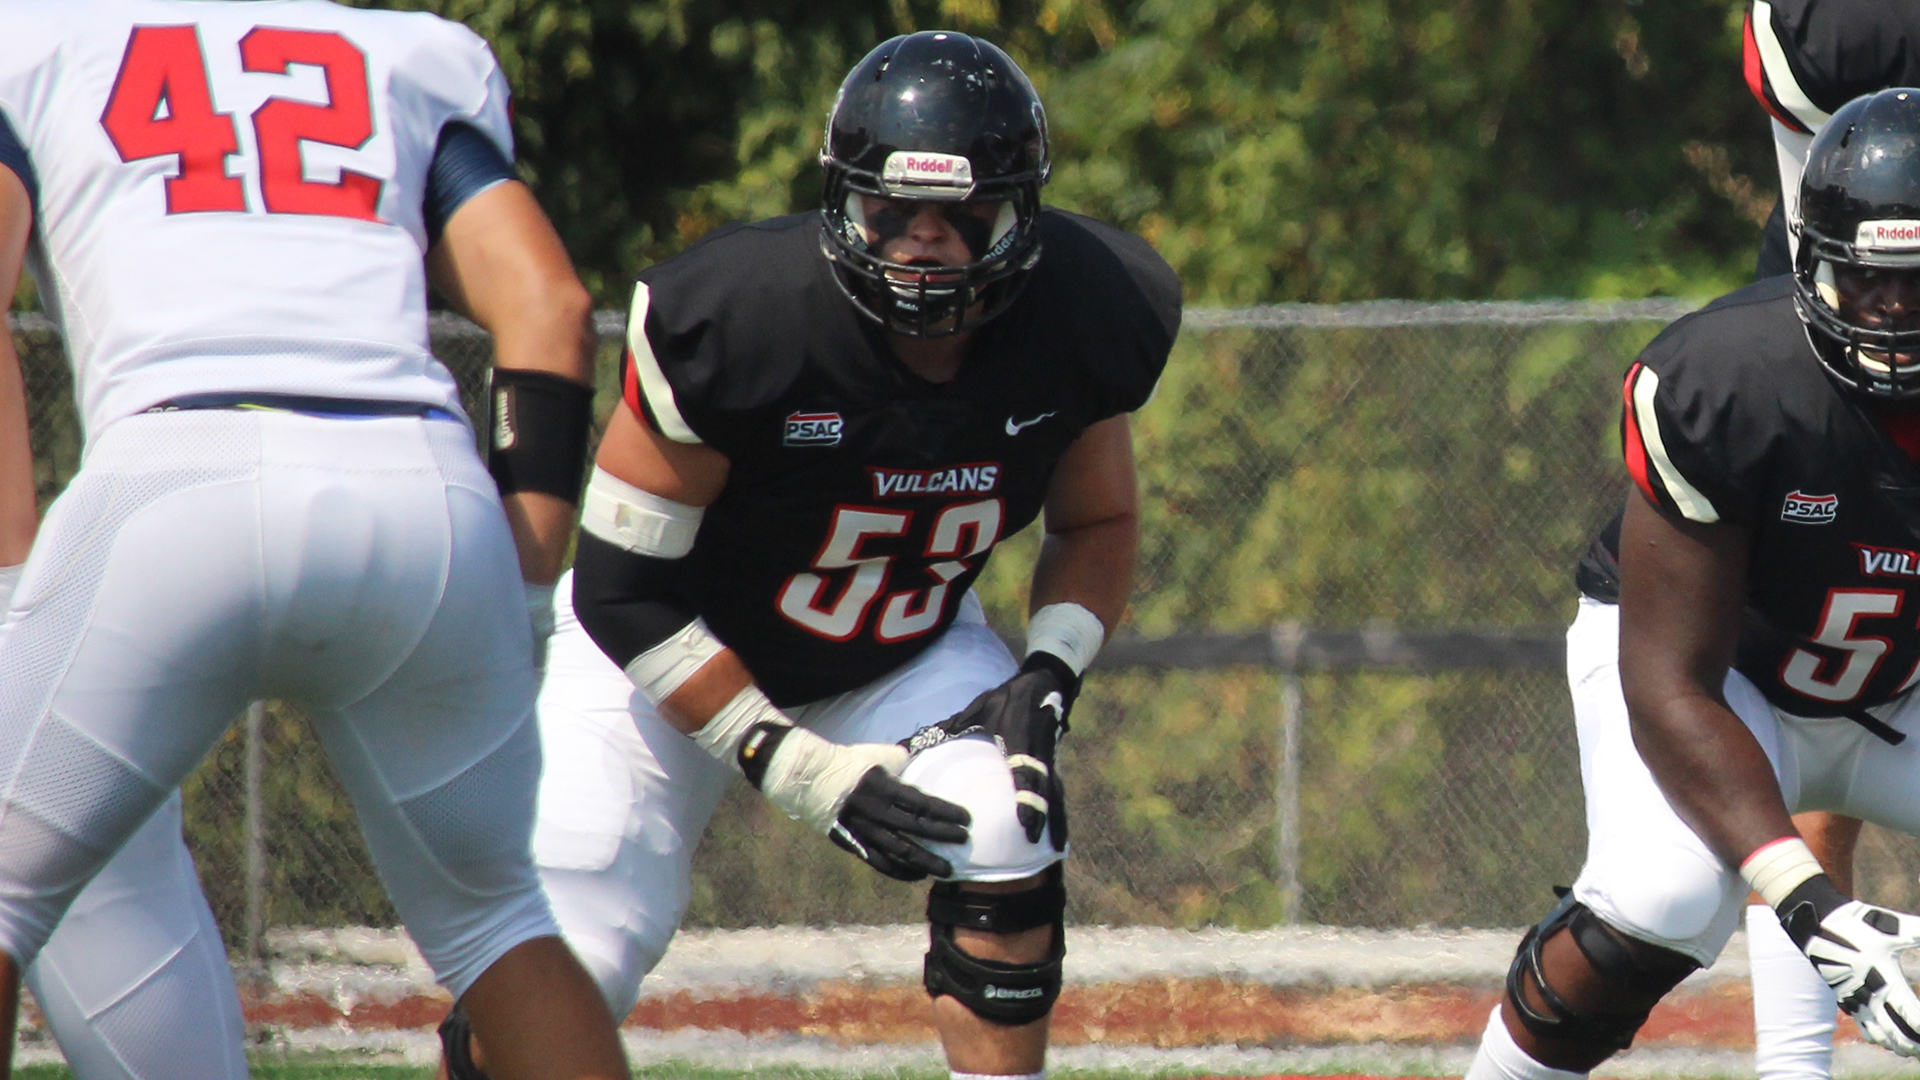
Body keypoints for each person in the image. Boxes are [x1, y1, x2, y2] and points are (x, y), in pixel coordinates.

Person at [436, 30, 1179, 1080]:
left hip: (895, 647)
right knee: (563, 961)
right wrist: (793, 767)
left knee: (1006, 826)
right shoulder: (743, 317)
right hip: (664, 657)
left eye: (964, 215)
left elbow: (1097, 524)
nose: (925, 242)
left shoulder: (1081, 314)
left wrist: (1049, 676)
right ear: (843, 201)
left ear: (1022, 214)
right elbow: (621, 587)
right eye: (892, 212)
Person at [0, 2, 630, 1078]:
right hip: (420, 493)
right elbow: (553, 308)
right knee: (496, 926)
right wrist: (517, 591)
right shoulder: (414, 55)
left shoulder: (35, 38)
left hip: (174, 473)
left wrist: (13, 574)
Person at [1465, 87, 1920, 1080]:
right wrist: (1813, 905)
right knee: (1663, 898)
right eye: (1873, 280)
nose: (1895, 313)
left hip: (1894, 688)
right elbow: (1672, 685)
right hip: (1721, 683)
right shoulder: (1729, 383)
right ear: (1814, 266)